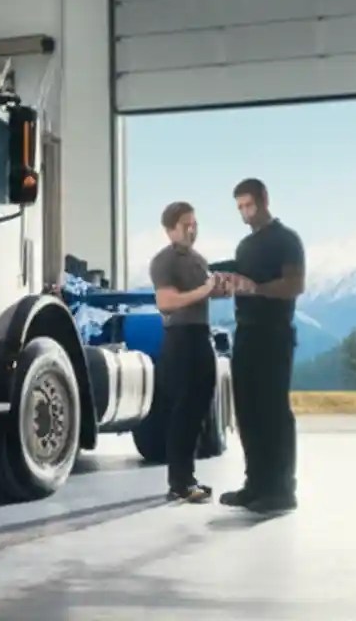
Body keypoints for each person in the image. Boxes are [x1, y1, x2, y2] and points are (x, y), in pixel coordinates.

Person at [219, 178, 305, 514]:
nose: (245, 214)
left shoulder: (287, 240)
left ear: (264, 199)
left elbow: (294, 284)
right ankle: (255, 484)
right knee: (248, 412)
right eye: (239, 207)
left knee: (273, 413)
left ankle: (282, 490)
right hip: (246, 332)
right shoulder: (245, 246)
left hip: (274, 334)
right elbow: (241, 278)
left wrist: (256, 289)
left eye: (249, 206)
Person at [149, 201, 226, 503]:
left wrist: (219, 288)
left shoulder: (199, 260)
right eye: (185, 224)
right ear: (170, 230)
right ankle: (178, 483)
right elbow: (166, 302)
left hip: (201, 335)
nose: (192, 229)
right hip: (179, 338)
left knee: (199, 409)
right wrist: (206, 290)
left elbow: (200, 295)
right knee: (183, 411)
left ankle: (188, 477)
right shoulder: (163, 262)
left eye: (195, 223)